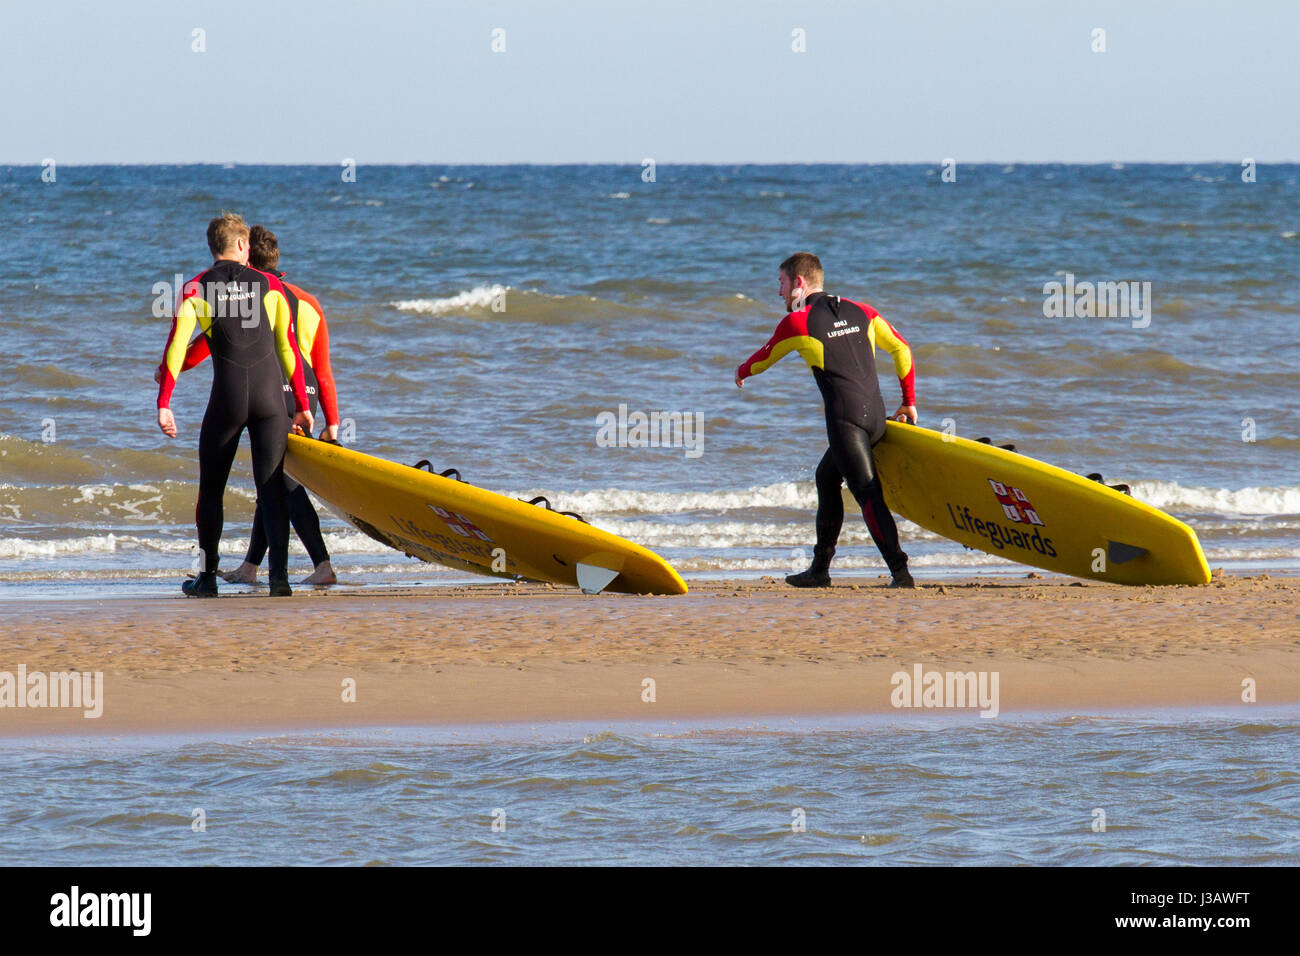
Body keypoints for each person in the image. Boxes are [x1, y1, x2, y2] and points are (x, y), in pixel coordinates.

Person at [166, 225, 340, 586]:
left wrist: (165, 390)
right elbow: (307, 359)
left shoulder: (210, 288)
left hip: (241, 395)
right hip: (285, 397)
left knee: (223, 490)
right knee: (276, 487)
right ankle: (277, 575)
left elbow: (194, 346)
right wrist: (321, 414)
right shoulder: (295, 296)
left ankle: (212, 576)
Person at [735, 252, 917, 588]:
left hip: (847, 424)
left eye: (782, 284)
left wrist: (741, 371)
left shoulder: (798, 322)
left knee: (867, 493)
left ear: (799, 283)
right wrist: (908, 402)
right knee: (826, 477)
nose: (779, 292)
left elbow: (763, 358)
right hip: (876, 418)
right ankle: (820, 569)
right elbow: (902, 348)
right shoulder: (863, 310)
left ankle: (900, 573)